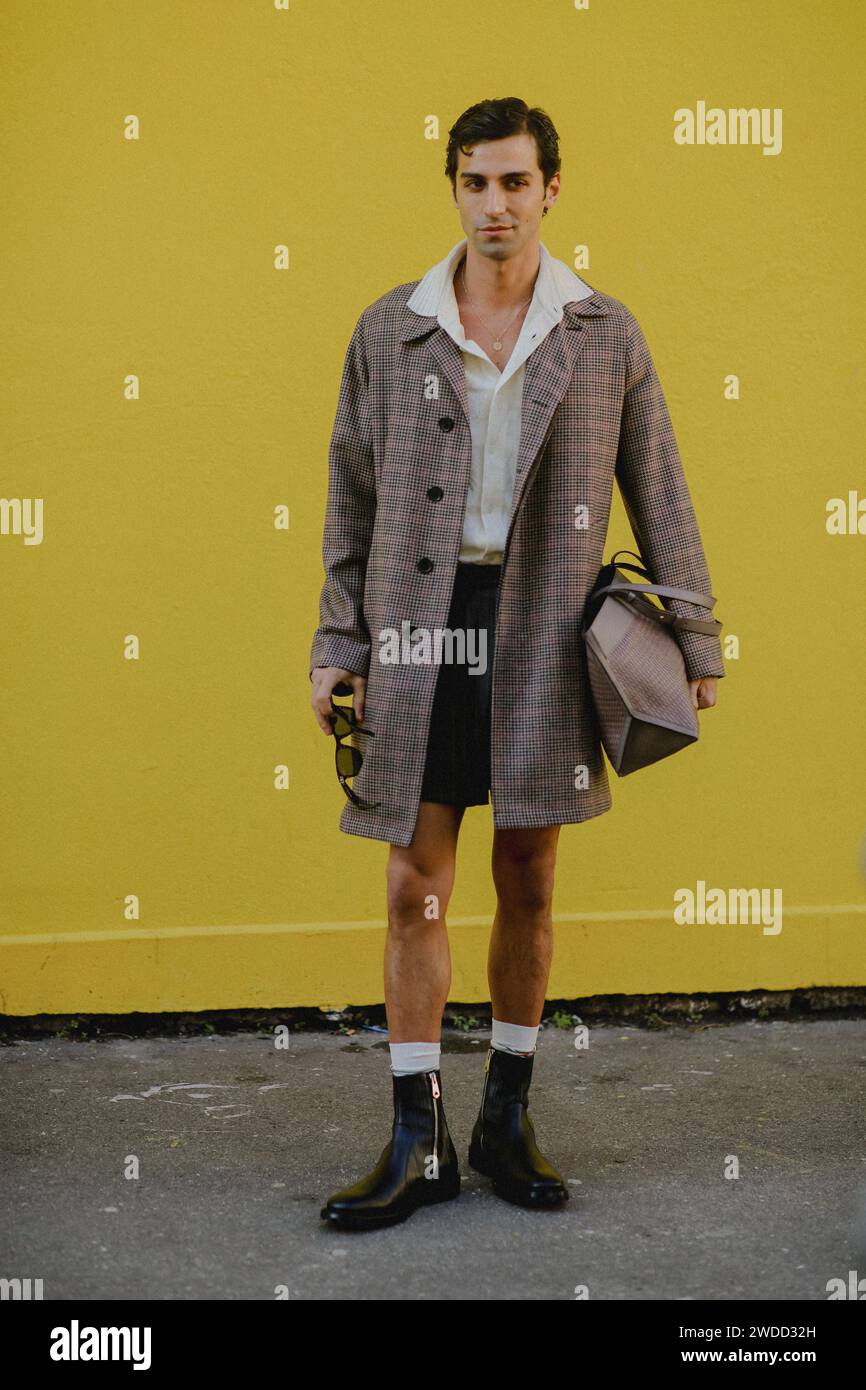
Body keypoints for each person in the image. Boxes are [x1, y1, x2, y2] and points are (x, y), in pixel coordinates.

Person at [309, 97, 723, 1231]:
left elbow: (659, 484)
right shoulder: (389, 330)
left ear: (550, 189)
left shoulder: (604, 332)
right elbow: (349, 502)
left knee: (530, 873)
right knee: (414, 879)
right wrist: (338, 647)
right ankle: (417, 1136)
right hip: (418, 626)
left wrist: (697, 638)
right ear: (453, 188)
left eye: (514, 182)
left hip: (544, 624)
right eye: (474, 182)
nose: (494, 204)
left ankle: (504, 1116)